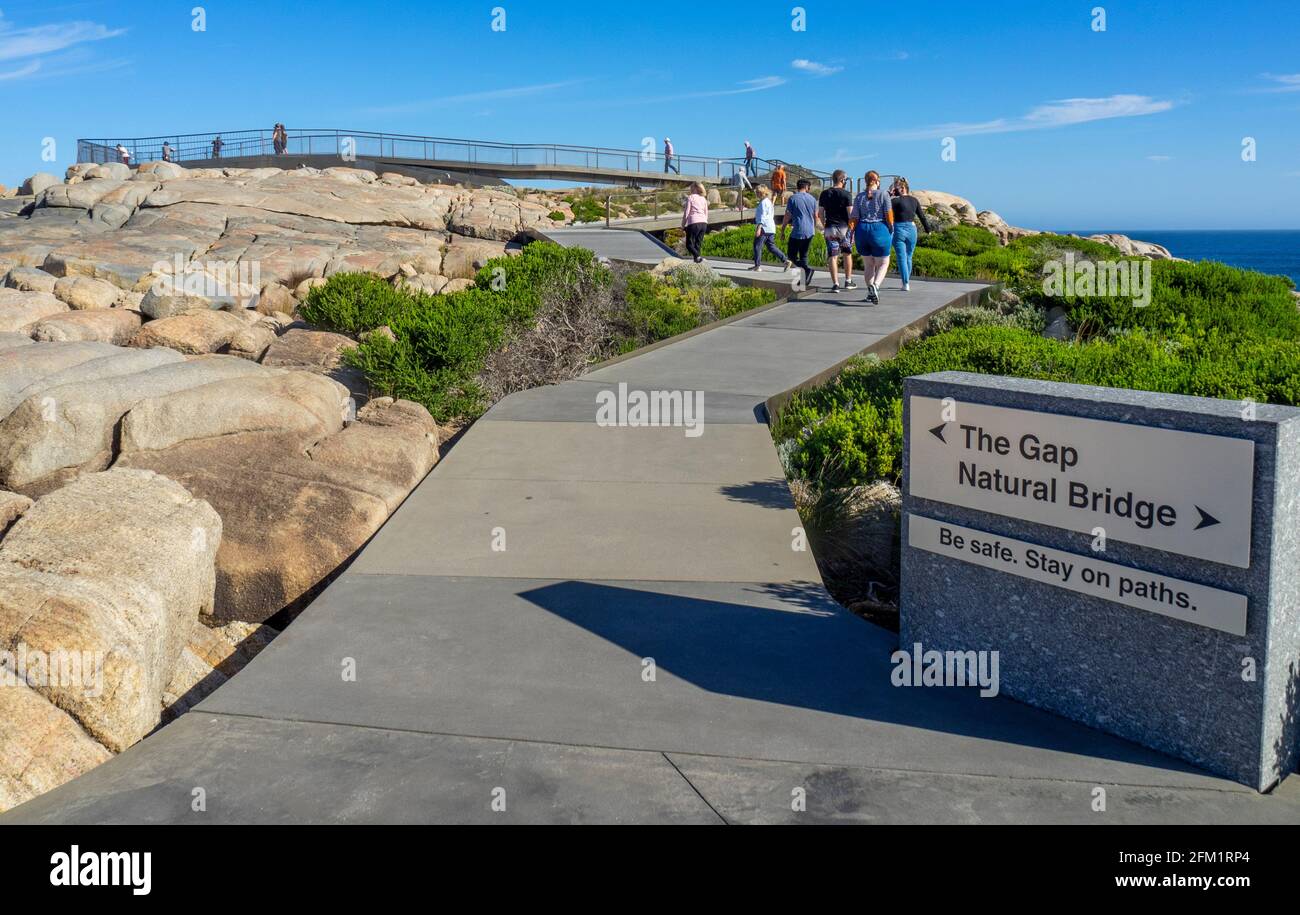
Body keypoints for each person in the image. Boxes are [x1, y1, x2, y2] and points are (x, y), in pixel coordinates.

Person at [851, 170, 895, 304]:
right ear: (877, 181)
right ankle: (875, 286)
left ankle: (870, 293)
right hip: (879, 229)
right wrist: (891, 228)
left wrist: (851, 233)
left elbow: (854, 218)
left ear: (865, 181)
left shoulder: (859, 197)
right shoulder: (884, 194)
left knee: (868, 264)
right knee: (883, 262)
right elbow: (889, 214)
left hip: (862, 230)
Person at [888, 177, 932, 291]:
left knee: (901, 257)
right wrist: (928, 230)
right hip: (912, 229)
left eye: (897, 188)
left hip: (898, 229)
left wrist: (890, 193)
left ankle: (905, 283)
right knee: (909, 256)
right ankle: (907, 281)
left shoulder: (894, 201)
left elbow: (885, 208)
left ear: (902, 188)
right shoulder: (914, 200)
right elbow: (922, 216)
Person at [817, 169, 856, 293]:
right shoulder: (846, 194)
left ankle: (835, 284)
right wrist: (852, 229)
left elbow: (821, 213)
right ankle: (848, 281)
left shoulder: (824, 194)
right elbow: (850, 214)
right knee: (847, 253)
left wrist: (824, 225)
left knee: (832, 256)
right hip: (844, 227)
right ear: (842, 180)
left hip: (830, 227)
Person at [782, 178, 818, 288]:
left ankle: (807, 270)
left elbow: (788, 215)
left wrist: (783, 229)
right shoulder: (812, 199)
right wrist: (816, 228)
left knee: (791, 256)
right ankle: (803, 281)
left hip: (798, 231)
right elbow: (815, 216)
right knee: (804, 255)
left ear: (798, 187)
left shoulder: (793, 198)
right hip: (810, 231)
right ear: (807, 187)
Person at [750, 185, 792, 272]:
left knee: (757, 246)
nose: (756, 194)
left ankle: (757, 266)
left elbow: (762, 216)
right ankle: (785, 260)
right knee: (771, 247)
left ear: (762, 193)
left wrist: (758, 228)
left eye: (758, 192)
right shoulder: (768, 202)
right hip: (771, 228)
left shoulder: (763, 203)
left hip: (764, 228)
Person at [682, 182, 710, 263]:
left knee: (689, 244)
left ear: (695, 188)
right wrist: (705, 222)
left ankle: (698, 256)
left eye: (691, 187)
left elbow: (686, 213)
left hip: (694, 222)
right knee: (698, 244)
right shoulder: (703, 199)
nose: (690, 189)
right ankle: (697, 261)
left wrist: (683, 225)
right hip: (704, 223)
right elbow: (706, 213)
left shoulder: (691, 197)